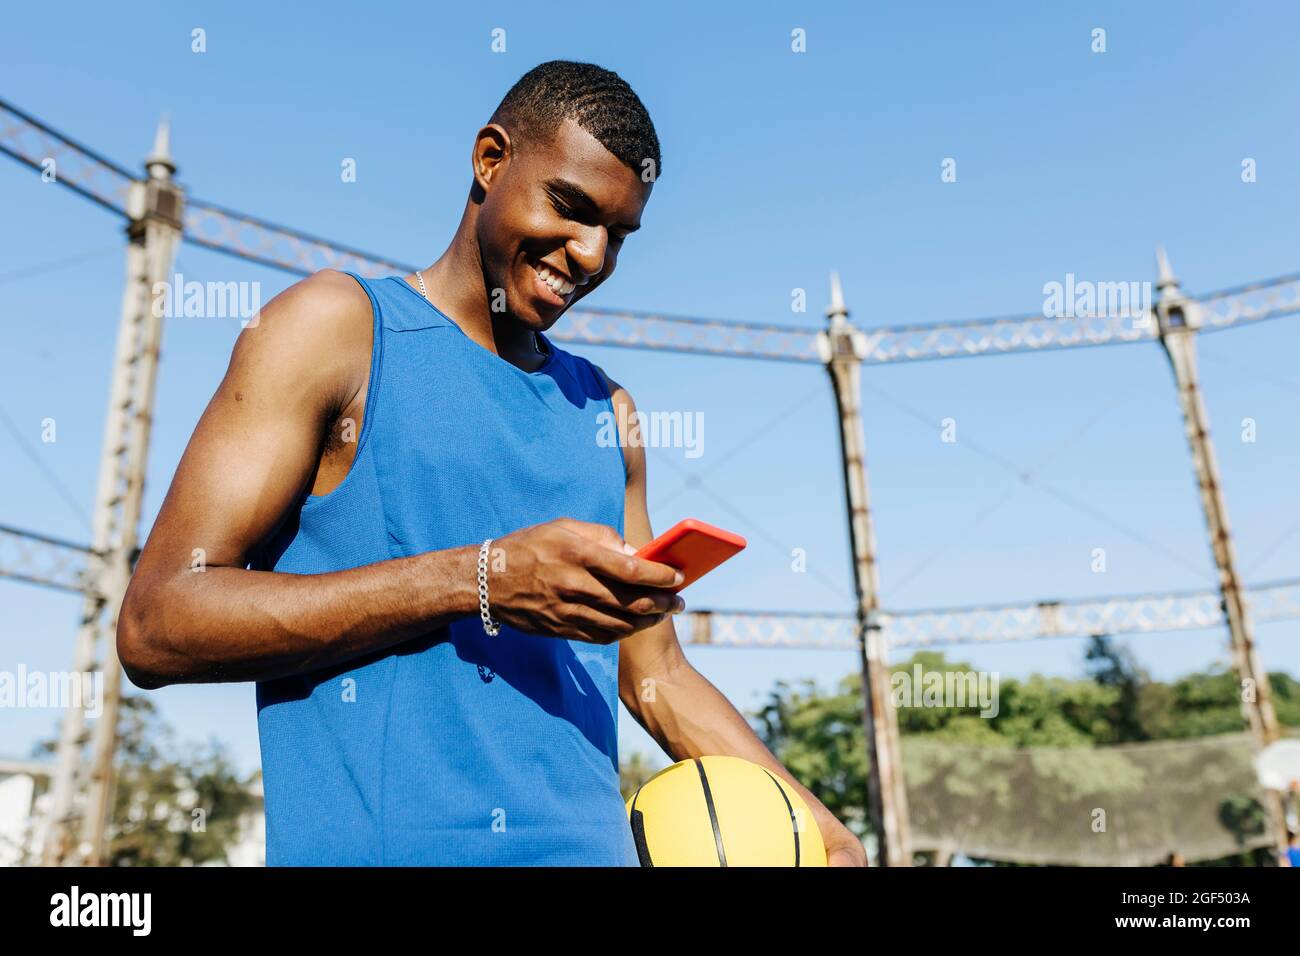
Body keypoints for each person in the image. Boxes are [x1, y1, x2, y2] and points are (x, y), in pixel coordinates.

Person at [118, 60, 866, 867]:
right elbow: (158, 623)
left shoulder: (608, 414)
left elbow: (658, 677)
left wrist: (823, 832)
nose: (591, 253)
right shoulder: (335, 329)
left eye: (618, 233)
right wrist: (481, 580)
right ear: (490, 160)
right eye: (571, 208)